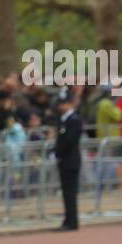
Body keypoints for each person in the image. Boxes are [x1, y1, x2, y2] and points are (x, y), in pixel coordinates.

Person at [53, 88, 82, 231]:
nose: (61, 106)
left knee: (70, 192)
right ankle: (68, 219)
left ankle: (72, 221)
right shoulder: (63, 120)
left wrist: (58, 152)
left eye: (64, 103)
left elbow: (69, 141)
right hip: (64, 161)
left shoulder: (74, 120)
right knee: (66, 192)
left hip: (70, 161)